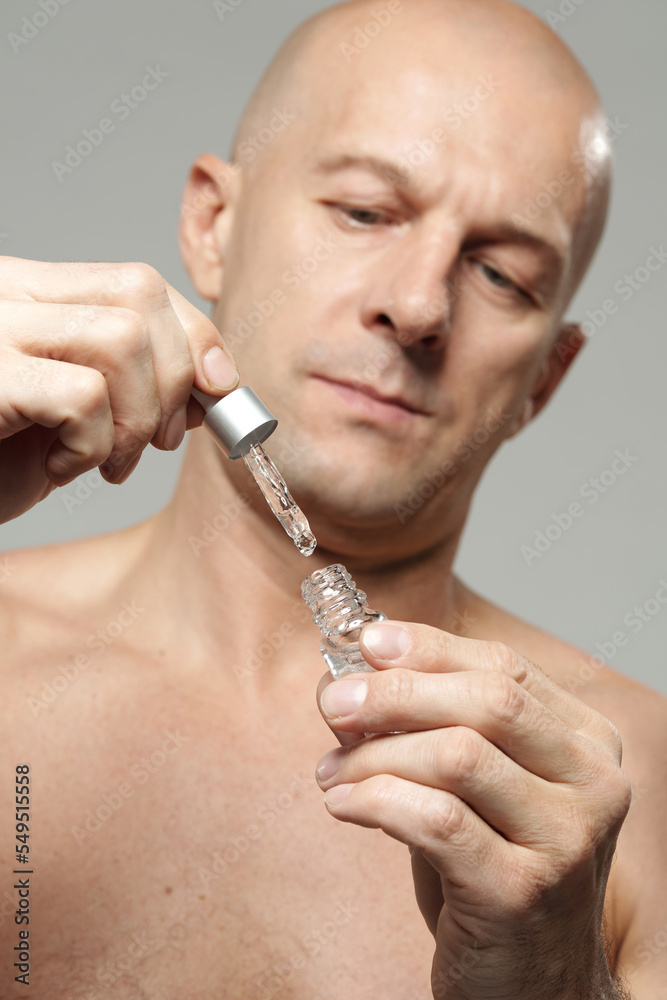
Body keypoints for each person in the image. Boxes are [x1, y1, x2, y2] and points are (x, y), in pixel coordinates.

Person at [1, 0, 665, 997]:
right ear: (212, 225)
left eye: (500, 272)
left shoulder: (623, 789)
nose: (418, 304)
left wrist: (560, 983)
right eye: (364, 211)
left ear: (546, 379)